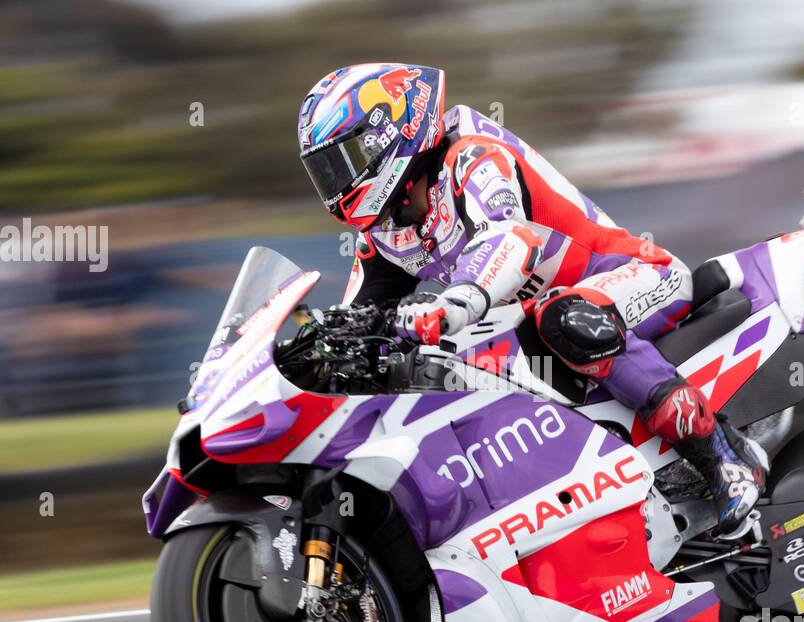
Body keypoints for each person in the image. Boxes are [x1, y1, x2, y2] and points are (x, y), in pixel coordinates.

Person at [297, 63, 766, 535]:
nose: (335, 182)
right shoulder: (383, 232)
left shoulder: (473, 157)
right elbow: (361, 316)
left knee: (561, 316)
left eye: (344, 160)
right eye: (325, 170)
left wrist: (456, 302)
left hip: (636, 276)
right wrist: (314, 351)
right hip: (544, 321)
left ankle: (722, 455)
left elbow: (508, 239)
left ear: (388, 136)